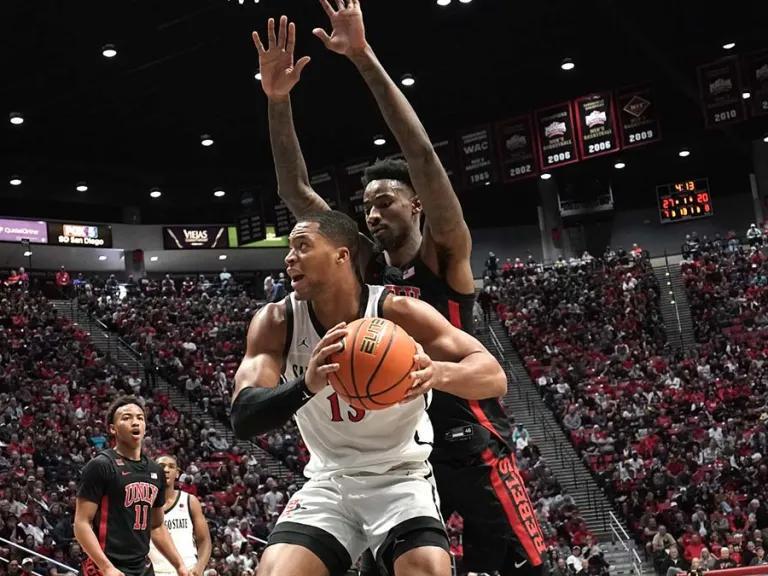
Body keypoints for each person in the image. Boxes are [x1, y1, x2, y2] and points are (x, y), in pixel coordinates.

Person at [255, 4, 546, 575]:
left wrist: (363, 58)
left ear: (415, 202)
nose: (373, 212)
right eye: (366, 206)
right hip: (389, 450)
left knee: (524, 567)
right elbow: (293, 189)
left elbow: (422, 156)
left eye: (384, 201)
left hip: (463, 432)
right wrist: (278, 101)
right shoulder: (361, 266)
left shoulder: (444, 254)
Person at [230, 211, 507, 576]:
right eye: (289, 249)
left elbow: (494, 376)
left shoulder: (398, 312)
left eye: (302, 246)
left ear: (342, 256)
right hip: (330, 480)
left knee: (427, 570)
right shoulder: (277, 321)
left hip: (400, 476)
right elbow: (243, 417)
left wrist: (436, 372)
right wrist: (306, 385)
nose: (289, 258)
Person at [74, 396, 190, 576]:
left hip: (141, 567)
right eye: (126, 418)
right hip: (106, 566)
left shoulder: (155, 470)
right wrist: (106, 567)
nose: (135, 422)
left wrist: (179, 565)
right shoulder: (101, 466)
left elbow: (157, 526)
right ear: (113, 429)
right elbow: (81, 523)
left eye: (140, 418)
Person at [148, 455, 211, 576]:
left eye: (171, 467)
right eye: (161, 466)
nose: (166, 470)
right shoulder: (143, 503)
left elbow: (204, 540)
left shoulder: (190, 501)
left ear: (177, 474)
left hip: (187, 569)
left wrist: (199, 567)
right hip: (154, 571)